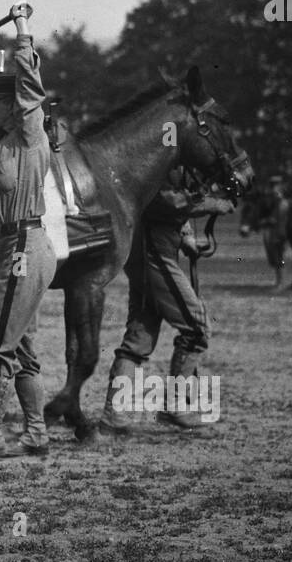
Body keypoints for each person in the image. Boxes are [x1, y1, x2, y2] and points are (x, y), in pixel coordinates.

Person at [0, 5, 56, 460]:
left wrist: (21, 31)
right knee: (20, 343)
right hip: (16, 245)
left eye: (3, 101)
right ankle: (37, 432)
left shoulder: (29, 135)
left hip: (25, 245)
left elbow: (29, 87)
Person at [99, 170, 235, 435]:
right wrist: (214, 204)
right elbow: (166, 202)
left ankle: (113, 415)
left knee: (138, 340)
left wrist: (185, 237)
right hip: (154, 254)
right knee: (197, 328)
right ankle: (175, 406)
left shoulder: (172, 156)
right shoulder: (162, 154)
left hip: (149, 252)